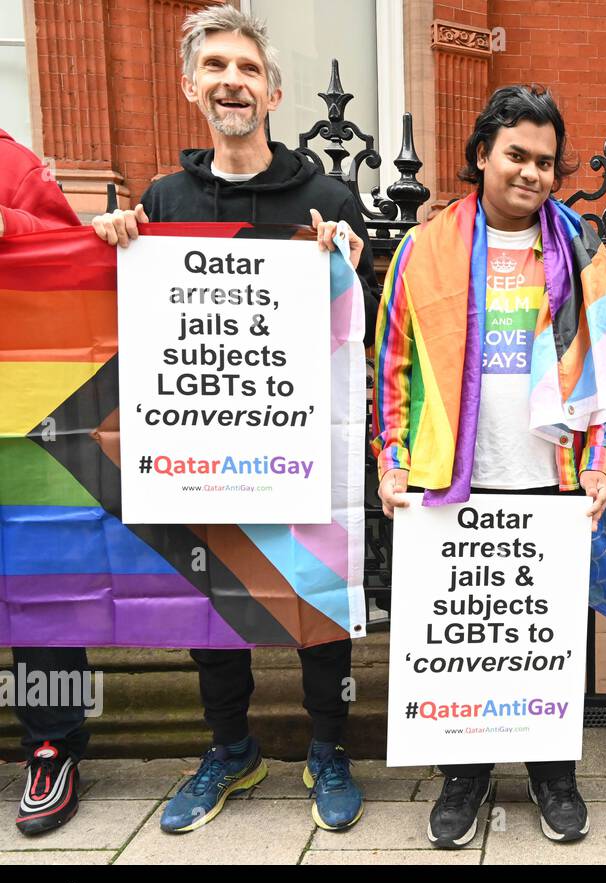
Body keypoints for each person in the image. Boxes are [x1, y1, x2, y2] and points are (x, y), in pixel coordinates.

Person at [89, 4, 378, 834]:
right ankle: (229, 749)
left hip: (298, 440)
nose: (232, 82)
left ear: (273, 91)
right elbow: (131, 317)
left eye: (247, 69)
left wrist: (351, 259)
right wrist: (114, 242)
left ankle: (328, 745)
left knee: (315, 587)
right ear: (191, 87)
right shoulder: (163, 199)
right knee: (210, 598)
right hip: (201, 439)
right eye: (216, 67)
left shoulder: (327, 195)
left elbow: (361, 316)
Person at [373, 84, 606, 848]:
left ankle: (554, 774)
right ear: (482, 155)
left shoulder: (584, 248)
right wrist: (393, 458)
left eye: (547, 161)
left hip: (552, 478)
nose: (533, 173)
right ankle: (464, 776)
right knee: (463, 635)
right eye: (517, 155)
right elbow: (395, 363)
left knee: (546, 634)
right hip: (454, 475)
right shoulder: (424, 247)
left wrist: (600, 461)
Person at [1, 126, 92, 836]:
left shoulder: (13, 162)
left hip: (16, 404)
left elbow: (70, 258)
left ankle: (54, 742)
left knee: (41, 583)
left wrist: (8, 223)